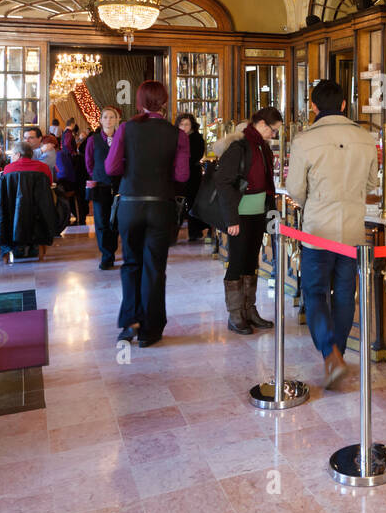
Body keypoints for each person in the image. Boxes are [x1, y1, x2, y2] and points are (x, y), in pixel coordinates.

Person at [286, 80, 378, 387]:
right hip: (353, 228)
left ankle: (330, 353)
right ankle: (337, 354)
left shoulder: (303, 141)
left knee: (314, 292)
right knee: (344, 294)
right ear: (343, 105)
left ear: (313, 106)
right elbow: (371, 184)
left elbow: (295, 191)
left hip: (317, 230)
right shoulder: (365, 138)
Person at [104, 80, 189, 347]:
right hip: (161, 206)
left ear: (139, 102)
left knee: (131, 263)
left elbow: (111, 168)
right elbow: (182, 175)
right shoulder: (178, 134)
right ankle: (151, 331)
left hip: (130, 205)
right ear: (164, 102)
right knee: (154, 268)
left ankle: (131, 323)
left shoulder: (127, 128)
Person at [213, 107, 282, 335]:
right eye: (273, 130)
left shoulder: (263, 147)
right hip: (240, 215)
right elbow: (223, 182)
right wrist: (231, 218)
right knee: (237, 262)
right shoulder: (239, 145)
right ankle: (235, 315)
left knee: (252, 261)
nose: (274, 135)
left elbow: (265, 183)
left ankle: (249, 311)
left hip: (257, 213)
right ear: (261, 124)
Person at [85, 106, 122, 270]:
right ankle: (107, 255)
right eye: (105, 117)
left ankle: (113, 250)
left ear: (117, 120)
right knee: (101, 222)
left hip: (120, 186)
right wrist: (99, 175)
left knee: (116, 222)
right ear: (100, 120)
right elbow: (89, 163)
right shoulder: (93, 140)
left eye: (112, 117)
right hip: (100, 186)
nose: (108, 120)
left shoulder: (122, 139)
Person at [174, 113, 208, 243]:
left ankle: (195, 231)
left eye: (187, 124)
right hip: (178, 174)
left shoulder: (197, 138)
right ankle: (174, 232)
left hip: (193, 173)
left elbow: (195, 156)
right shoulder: (175, 137)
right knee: (178, 204)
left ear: (192, 125)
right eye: (181, 124)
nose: (184, 127)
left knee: (193, 203)